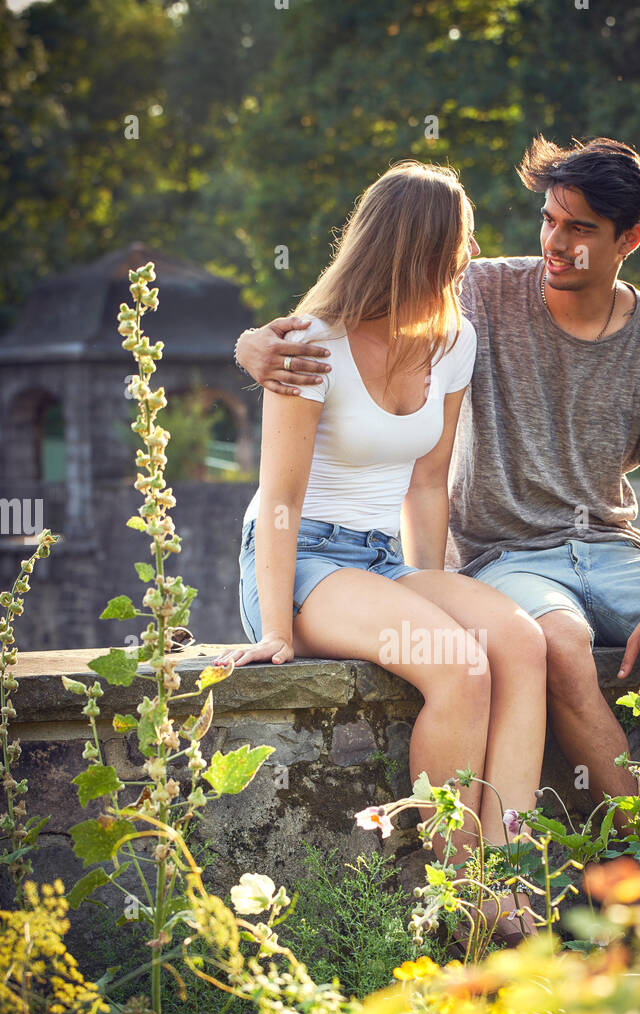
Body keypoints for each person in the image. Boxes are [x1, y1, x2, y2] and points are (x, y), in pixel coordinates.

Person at [235, 136, 640, 810]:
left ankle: (623, 845)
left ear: (628, 239)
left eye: (579, 228)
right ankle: (617, 848)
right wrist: (254, 344)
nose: (554, 240)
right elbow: (373, 285)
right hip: (471, 555)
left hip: (601, 550)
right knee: (540, 649)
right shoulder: (476, 292)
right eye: (548, 218)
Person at [218, 161, 548, 939]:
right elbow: (280, 503)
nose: (469, 256)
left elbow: (427, 486)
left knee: (520, 644)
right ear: (417, 249)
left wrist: (426, 586)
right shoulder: (310, 344)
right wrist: (274, 626)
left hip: (379, 560)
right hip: (300, 560)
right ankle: (460, 897)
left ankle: (512, 880)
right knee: (460, 668)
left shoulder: (453, 340)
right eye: (458, 243)